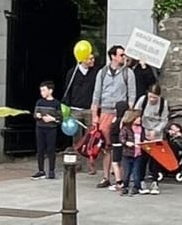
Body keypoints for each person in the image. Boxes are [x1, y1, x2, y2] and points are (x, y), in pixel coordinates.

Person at [91, 46, 135, 187]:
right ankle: (106, 177)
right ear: (113, 56)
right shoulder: (102, 73)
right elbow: (96, 95)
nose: (124, 57)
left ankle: (122, 178)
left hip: (121, 113)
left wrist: (128, 116)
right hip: (105, 111)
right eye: (121, 55)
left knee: (121, 144)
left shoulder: (128, 73)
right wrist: (95, 115)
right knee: (106, 146)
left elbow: (131, 95)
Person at [62, 52, 97, 159]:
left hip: (89, 109)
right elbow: (68, 89)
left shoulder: (95, 72)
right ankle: (76, 160)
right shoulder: (72, 73)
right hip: (75, 109)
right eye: (90, 58)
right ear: (83, 59)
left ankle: (89, 160)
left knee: (91, 136)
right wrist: (68, 107)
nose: (93, 60)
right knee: (76, 137)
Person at [135, 83, 168, 194]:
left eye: (155, 97)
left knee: (155, 159)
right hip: (144, 131)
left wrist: (156, 130)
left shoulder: (163, 103)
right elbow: (136, 114)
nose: (152, 99)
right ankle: (141, 180)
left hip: (156, 133)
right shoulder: (143, 100)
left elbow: (164, 120)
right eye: (150, 97)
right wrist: (141, 128)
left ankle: (155, 181)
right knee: (143, 158)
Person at [33, 81, 60, 180]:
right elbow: (35, 114)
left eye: (44, 90)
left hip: (51, 129)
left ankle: (51, 170)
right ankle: (41, 170)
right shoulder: (39, 102)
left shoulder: (56, 103)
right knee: (40, 149)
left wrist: (52, 119)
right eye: (41, 91)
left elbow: (59, 118)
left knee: (51, 149)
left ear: (50, 91)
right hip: (40, 127)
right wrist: (38, 115)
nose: (42, 93)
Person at [119, 108, 145, 196]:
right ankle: (125, 187)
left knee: (136, 172)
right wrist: (126, 143)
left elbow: (143, 139)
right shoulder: (126, 129)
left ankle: (136, 187)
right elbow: (122, 138)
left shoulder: (141, 129)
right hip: (128, 154)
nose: (140, 119)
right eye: (138, 118)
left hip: (138, 154)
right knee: (126, 173)